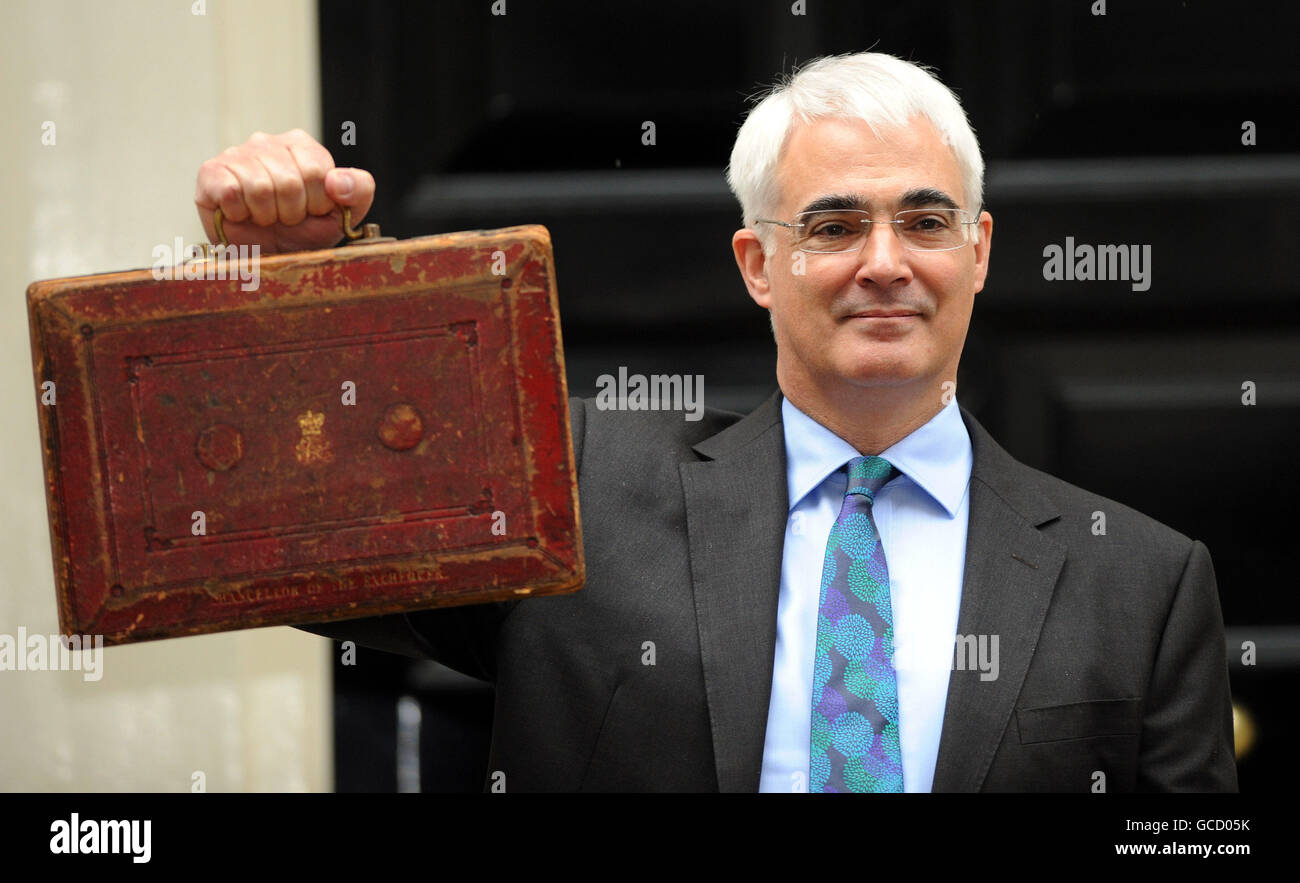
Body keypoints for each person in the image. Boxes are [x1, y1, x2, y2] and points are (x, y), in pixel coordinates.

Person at [194, 51, 1238, 792]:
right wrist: (286, 292)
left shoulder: (1139, 581)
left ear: (978, 252)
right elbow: (280, 534)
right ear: (757, 266)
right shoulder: (573, 479)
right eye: (832, 225)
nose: (884, 262)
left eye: (924, 220)